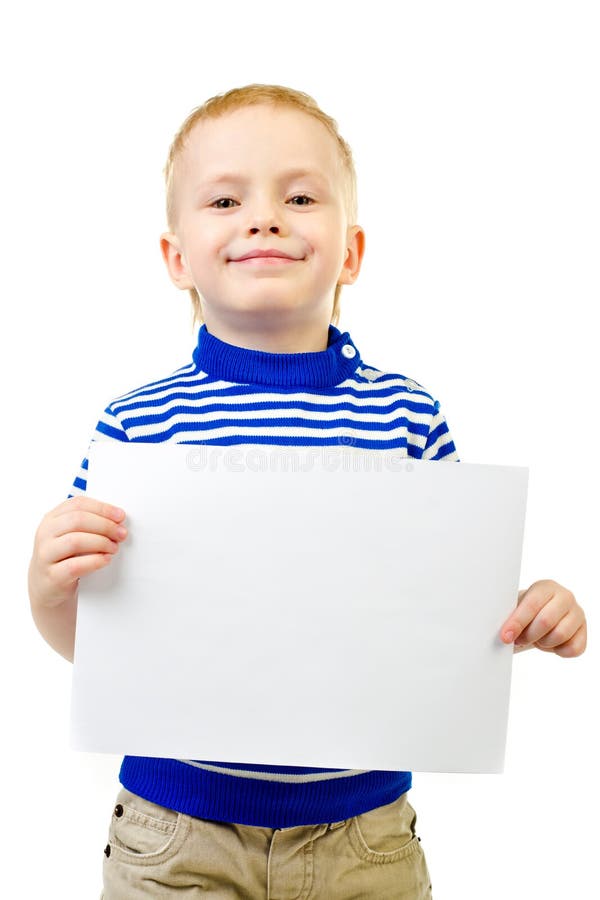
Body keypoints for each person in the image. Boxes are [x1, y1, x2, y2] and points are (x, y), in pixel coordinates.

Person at [27, 83, 587, 899]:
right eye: (225, 198)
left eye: (298, 196)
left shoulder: (408, 413)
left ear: (351, 252)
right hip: (177, 827)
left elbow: (441, 608)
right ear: (176, 257)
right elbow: (99, 647)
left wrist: (532, 608)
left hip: (364, 832)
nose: (264, 218)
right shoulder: (135, 425)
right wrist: (47, 585)